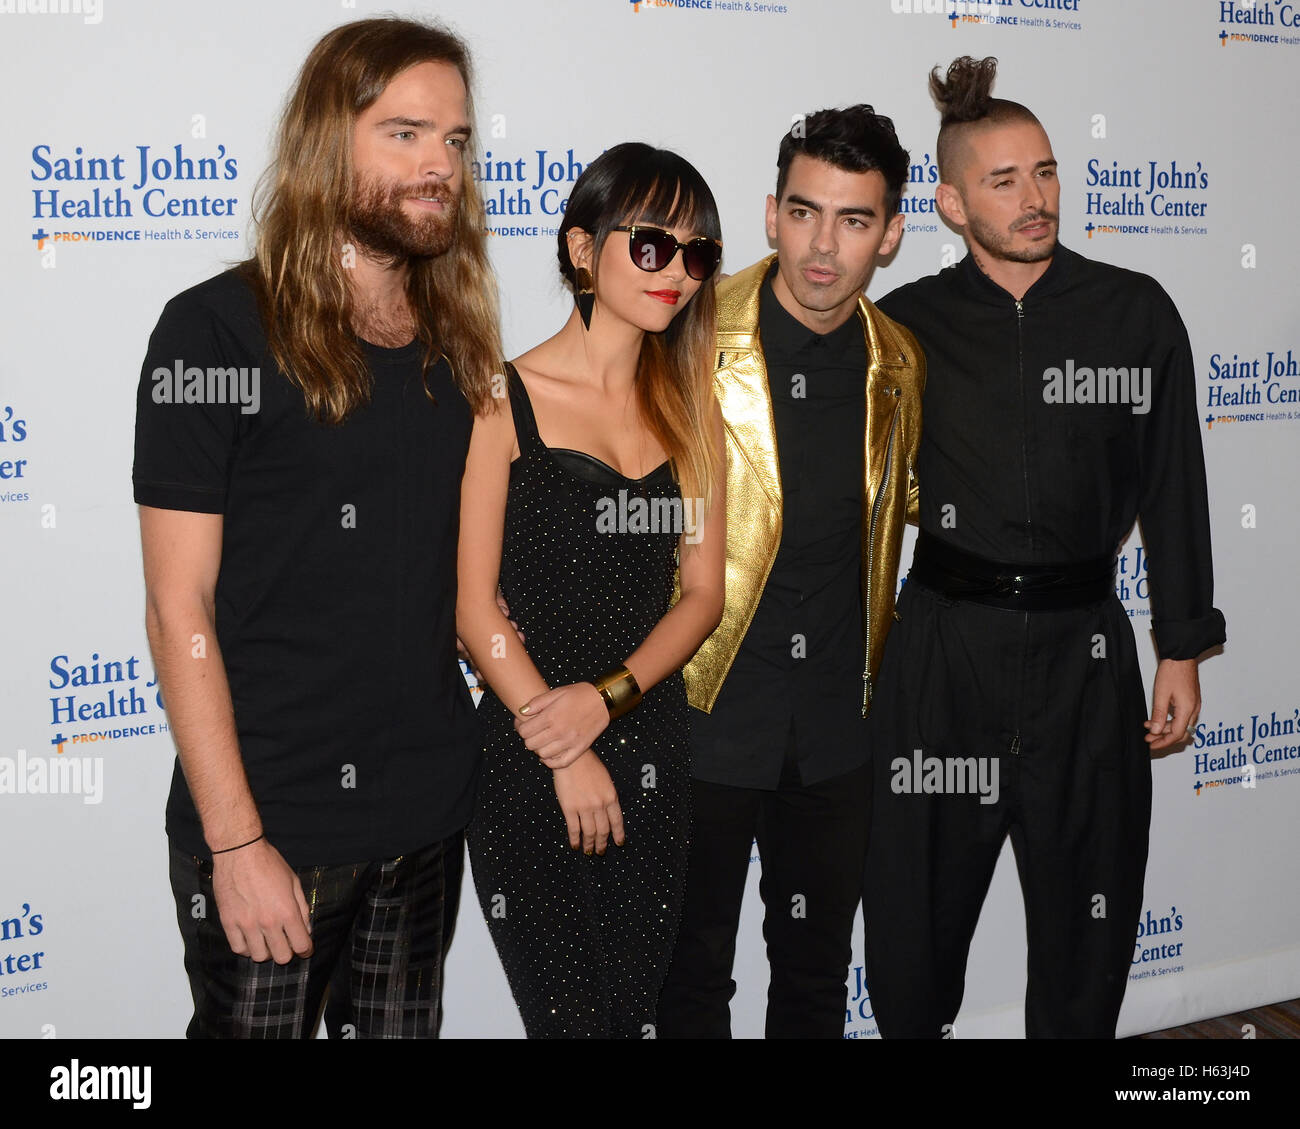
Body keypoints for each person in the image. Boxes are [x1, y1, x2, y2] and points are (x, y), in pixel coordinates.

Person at [132, 16, 501, 1039]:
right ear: (327, 142)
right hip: (272, 824)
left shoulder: (456, 341)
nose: (441, 168)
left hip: (425, 818)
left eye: (458, 142)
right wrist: (238, 842)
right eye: (407, 134)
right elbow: (178, 606)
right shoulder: (211, 331)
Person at [863, 56, 1227, 1039]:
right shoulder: (903, 329)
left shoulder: (1134, 312)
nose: (1035, 199)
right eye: (1003, 180)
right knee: (913, 916)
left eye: (1046, 172)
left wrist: (1181, 645)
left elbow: (1174, 487)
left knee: (1089, 916)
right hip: (943, 654)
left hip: (1087, 657)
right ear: (948, 201)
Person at [656, 106, 925, 1039]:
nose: (824, 246)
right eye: (806, 212)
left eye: (855, 221)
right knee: (690, 982)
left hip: (836, 735)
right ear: (770, 214)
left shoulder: (899, 363)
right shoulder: (686, 335)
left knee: (812, 980)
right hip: (703, 714)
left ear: (890, 235)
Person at [457, 142, 727, 1039]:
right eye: (653, 245)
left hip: (650, 742)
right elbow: (469, 606)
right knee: (571, 1022)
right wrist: (564, 745)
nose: (677, 272)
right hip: (528, 754)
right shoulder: (501, 397)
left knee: (632, 1015)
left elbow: (700, 596)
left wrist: (608, 703)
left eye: (698, 253)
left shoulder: (693, 409)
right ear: (583, 247)